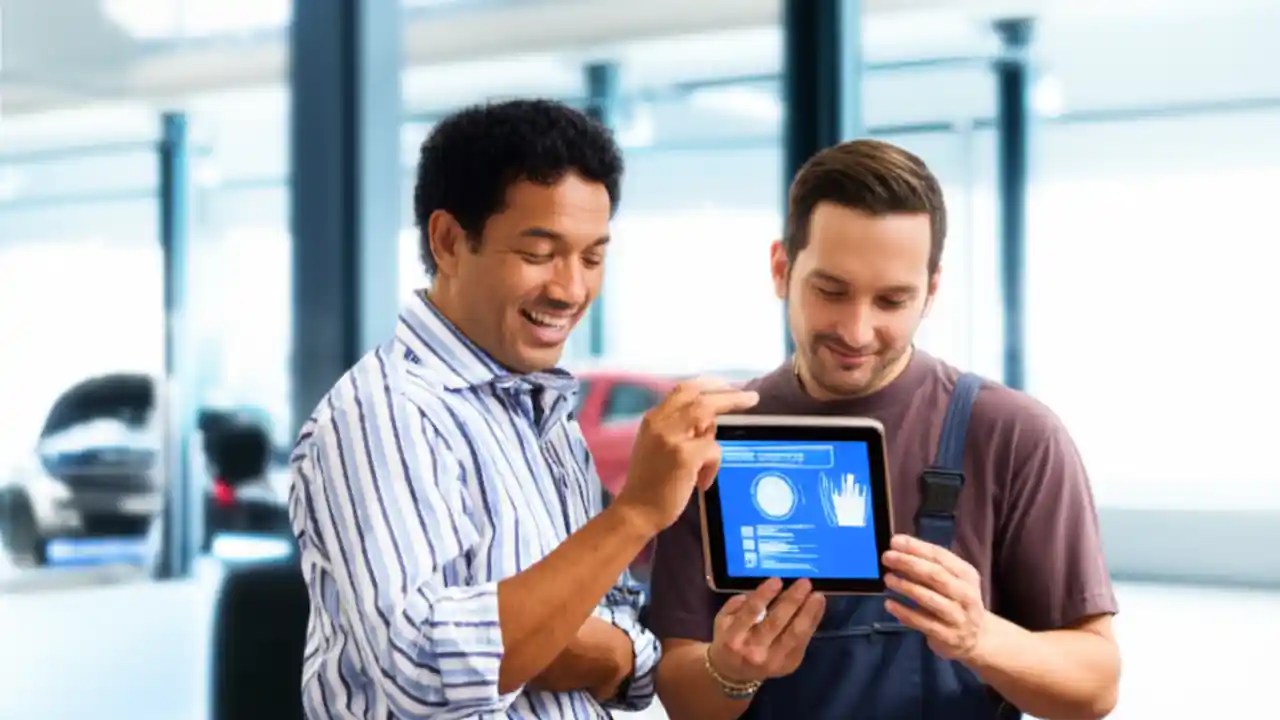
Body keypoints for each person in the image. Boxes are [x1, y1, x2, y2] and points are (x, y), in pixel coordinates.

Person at [287, 99, 759, 719]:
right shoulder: (383, 416)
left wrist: (541, 640)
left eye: (592, 257)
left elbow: (627, 640)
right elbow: (424, 668)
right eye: (540, 254)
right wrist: (635, 514)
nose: (570, 289)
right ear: (450, 242)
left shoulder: (543, 411)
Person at [646, 139, 1121, 720]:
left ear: (932, 291)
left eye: (892, 300)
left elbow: (1095, 687)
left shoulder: (1014, 435)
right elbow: (682, 694)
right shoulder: (715, 438)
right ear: (781, 269)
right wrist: (732, 671)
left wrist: (982, 638)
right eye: (831, 291)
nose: (857, 330)